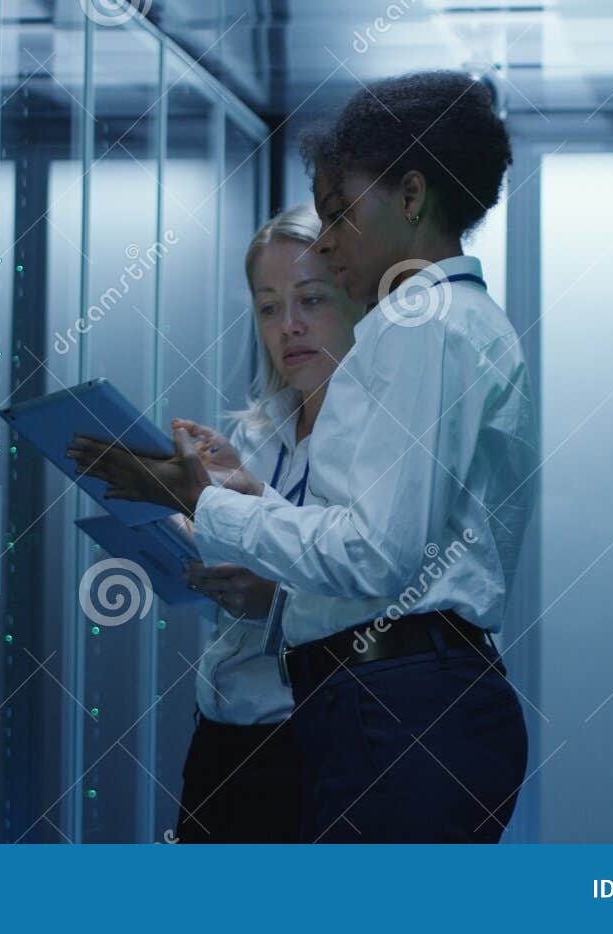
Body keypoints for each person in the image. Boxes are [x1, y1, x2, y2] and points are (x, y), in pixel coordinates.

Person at [71, 71, 535, 842]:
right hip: (391, 701)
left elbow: (372, 557)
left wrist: (204, 501)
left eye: (338, 215)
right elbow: (383, 544)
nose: (324, 244)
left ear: (412, 198)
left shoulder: (422, 322)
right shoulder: (449, 320)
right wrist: (249, 493)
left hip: (398, 708)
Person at [150, 204, 366, 842]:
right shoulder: (254, 431)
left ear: (355, 301)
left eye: (311, 299)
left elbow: (377, 581)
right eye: (269, 306)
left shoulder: (380, 437)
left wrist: (275, 599)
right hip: (220, 731)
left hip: (312, 740)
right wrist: (182, 515)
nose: (289, 326)